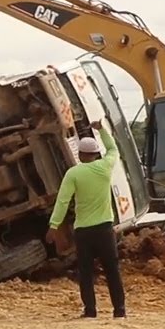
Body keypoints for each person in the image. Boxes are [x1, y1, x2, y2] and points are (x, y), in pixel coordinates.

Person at [46, 120, 126, 318]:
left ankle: (90, 311)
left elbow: (63, 201)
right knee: (112, 271)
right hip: (106, 229)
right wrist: (101, 129)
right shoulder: (105, 167)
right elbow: (113, 148)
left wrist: (53, 226)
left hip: (84, 232)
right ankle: (119, 311)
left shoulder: (73, 173)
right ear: (96, 153)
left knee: (86, 272)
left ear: (80, 155)